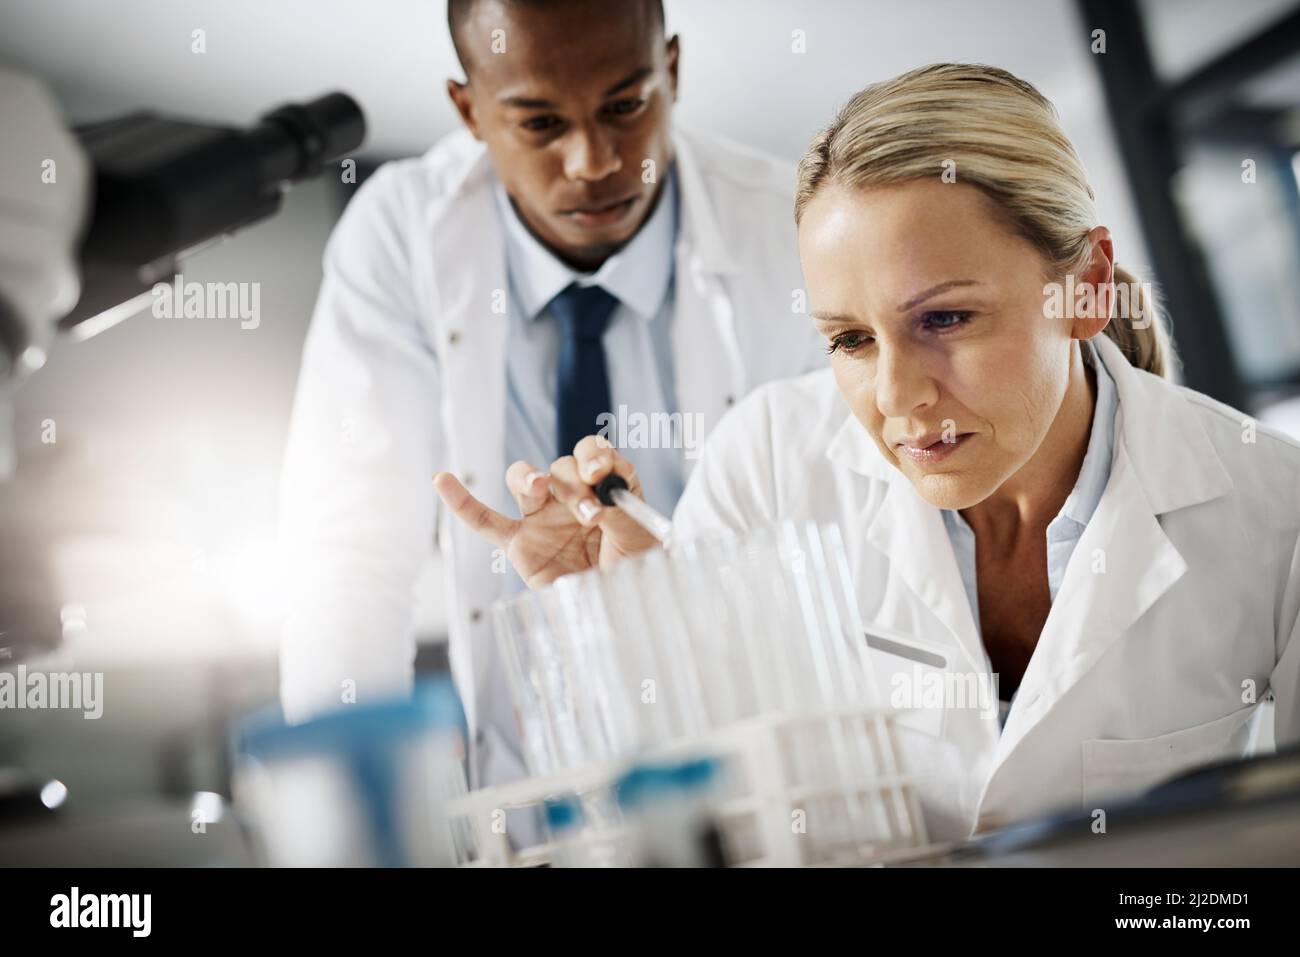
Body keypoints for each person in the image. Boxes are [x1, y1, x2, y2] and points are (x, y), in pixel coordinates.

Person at [435, 63, 1300, 840]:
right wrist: (632, 620)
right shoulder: (770, 459)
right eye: (850, 339)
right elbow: (703, 820)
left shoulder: (1276, 510)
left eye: (945, 319)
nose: (896, 398)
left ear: (1085, 288)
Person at [278, 0, 823, 792]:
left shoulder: (788, 225)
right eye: (539, 124)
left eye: (626, 106)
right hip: (522, 765)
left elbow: (840, 540)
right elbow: (349, 550)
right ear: (468, 111)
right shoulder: (401, 235)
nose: (593, 162)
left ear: (672, 71)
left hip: (756, 754)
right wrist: (356, 819)